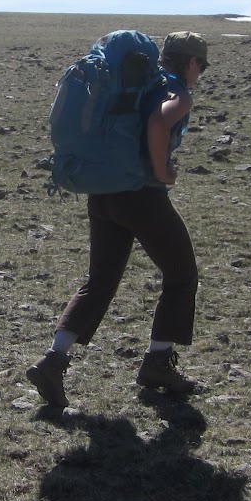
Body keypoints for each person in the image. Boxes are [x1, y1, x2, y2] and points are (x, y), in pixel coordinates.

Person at [27, 30, 209, 409]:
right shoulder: (177, 92)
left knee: (101, 280)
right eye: (201, 65)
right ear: (191, 62)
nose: (201, 72)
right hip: (140, 195)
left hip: (104, 193)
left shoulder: (140, 85)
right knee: (182, 275)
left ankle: (53, 360)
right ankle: (157, 364)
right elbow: (158, 125)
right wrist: (163, 171)